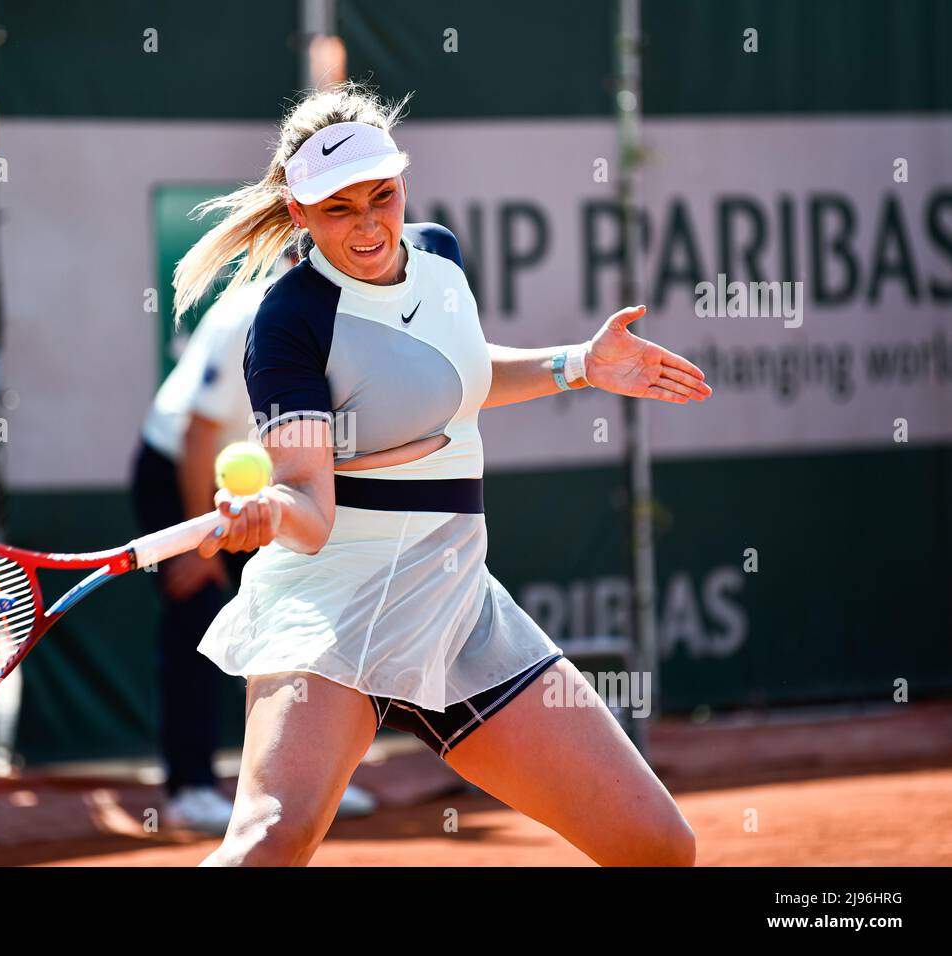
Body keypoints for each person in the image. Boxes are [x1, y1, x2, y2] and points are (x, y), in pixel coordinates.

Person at [171, 81, 712, 866]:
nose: (367, 225)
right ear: (299, 213)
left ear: (402, 182)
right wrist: (266, 511)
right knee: (268, 842)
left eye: (380, 197)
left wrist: (579, 365)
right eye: (337, 209)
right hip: (335, 617)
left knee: (658, 846)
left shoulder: (441, 258)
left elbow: (450, 376)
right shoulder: (287, 322)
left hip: (459, 609)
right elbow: (310, 508)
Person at [130, 257, 377, 833]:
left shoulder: (352, 320)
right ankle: (189, 787)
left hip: (268, 487)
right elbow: (197, 433)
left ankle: (305, 783)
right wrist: (197, 544)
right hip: (181, 474)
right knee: (196, 621)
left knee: (298, 625)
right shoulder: (250, 313)